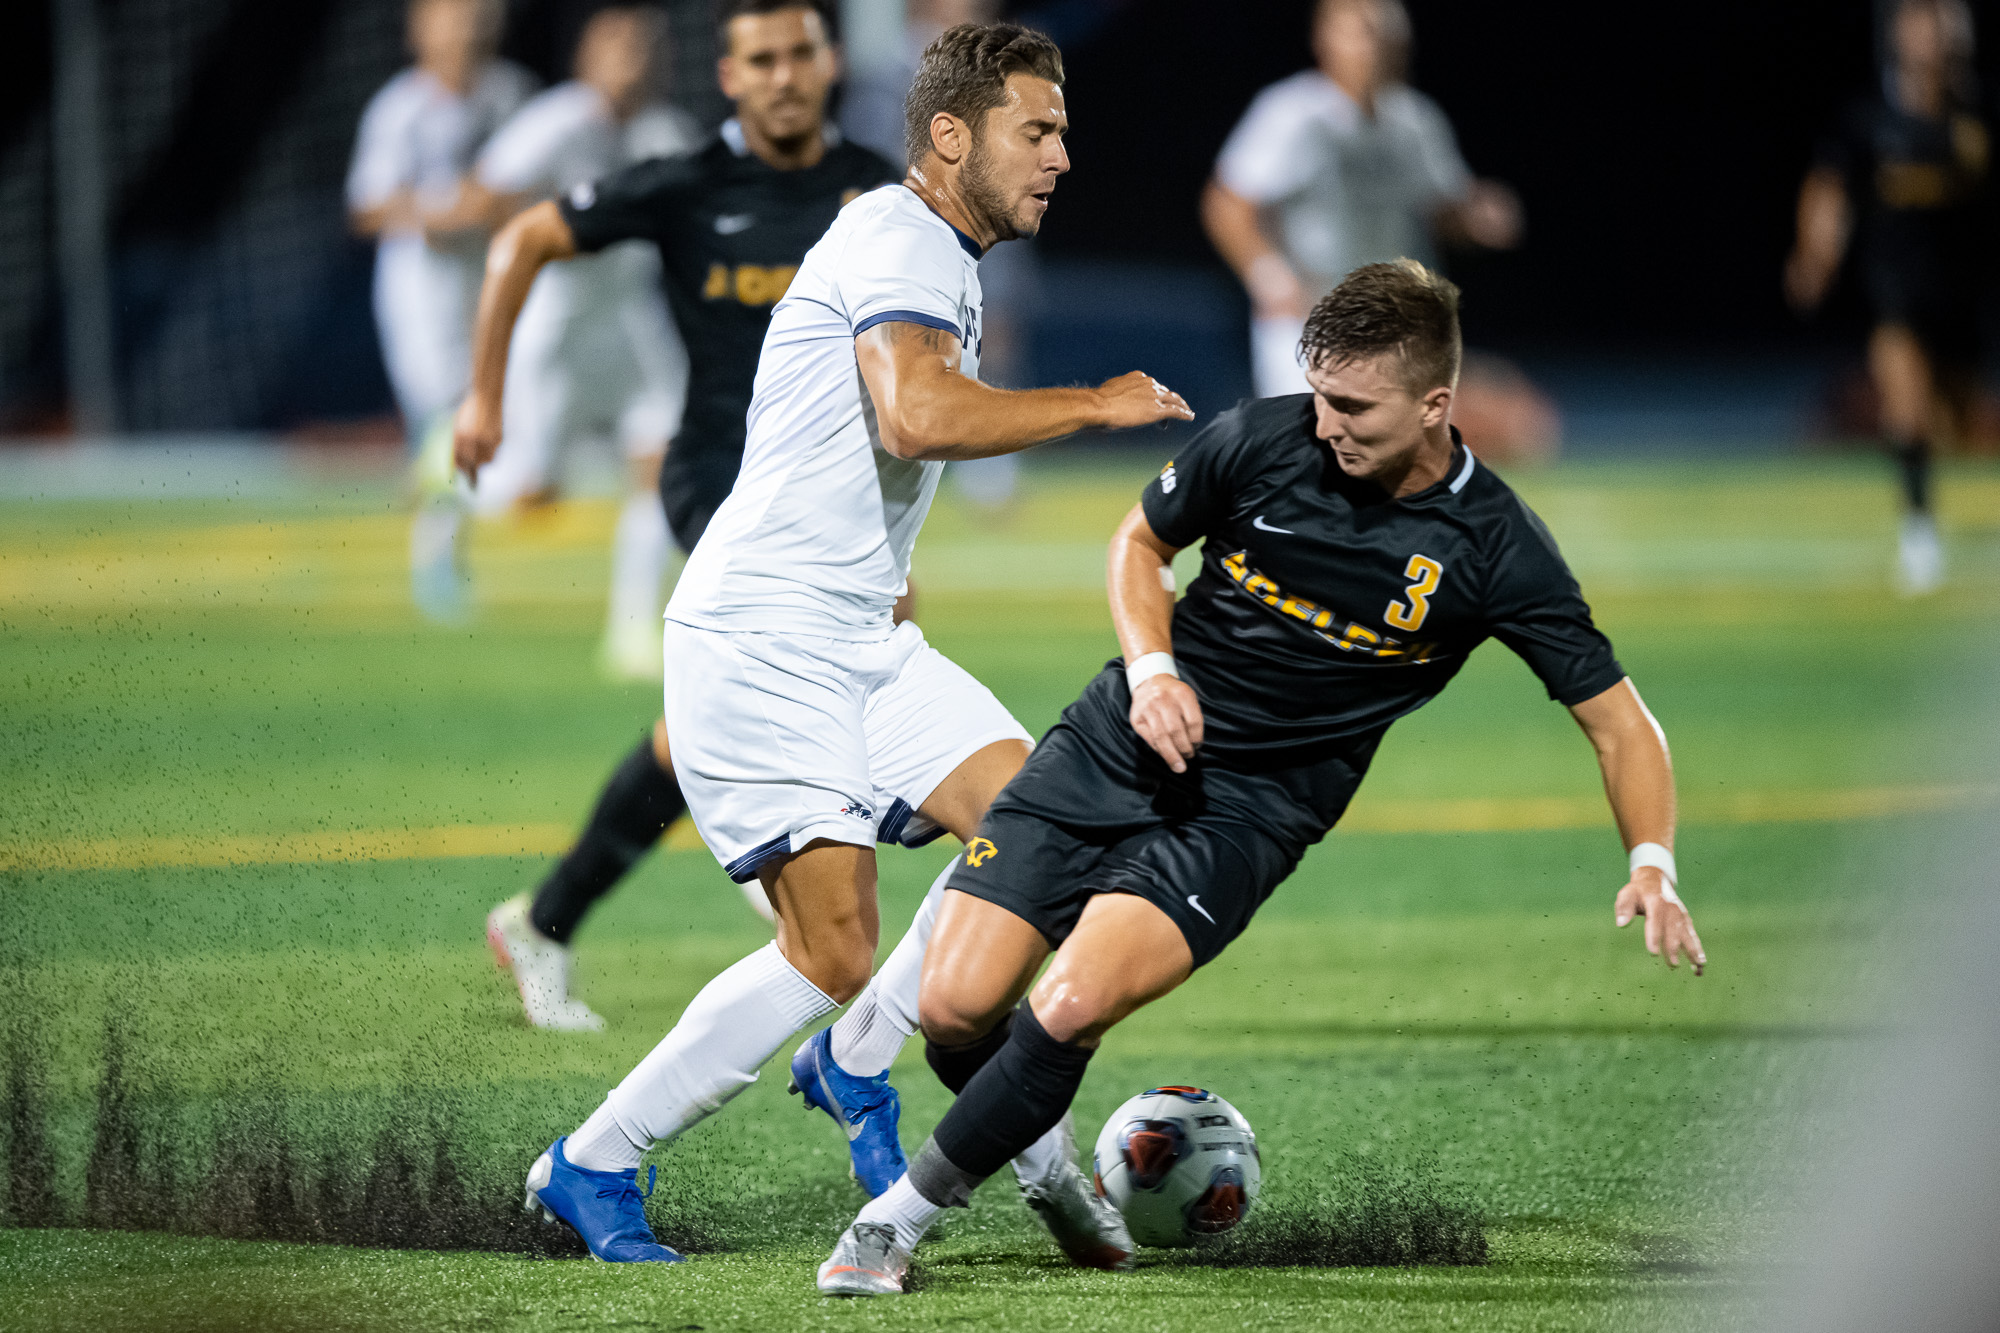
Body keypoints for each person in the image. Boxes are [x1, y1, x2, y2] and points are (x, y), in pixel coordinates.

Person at [816, 260, 1707, 1297]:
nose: (1324, 422)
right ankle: (1051, 1174)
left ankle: (890, 1224)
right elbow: (1139, 542)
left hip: (1248, 811)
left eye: (1352, 406)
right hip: (1117, 741)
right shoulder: (1263, 439)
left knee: (1066, 1004)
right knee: (956, 1006)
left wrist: (1651, 859)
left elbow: (1619, 725)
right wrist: (1150, 669)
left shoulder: (1493, 548)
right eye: (1318, 393)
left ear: (1434, 404)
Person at [476, 20, 1194, 1265]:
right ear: (952, 137)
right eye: (1039, 130)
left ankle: (859, 1052)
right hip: (761, 639)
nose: (1062, 156)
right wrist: (1094, 401)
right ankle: (592, 1160)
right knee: (829, 947)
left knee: (1039, 825)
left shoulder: (941, 250)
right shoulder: (893, 231)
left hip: (856, 635)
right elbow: (912, 415)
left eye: (1063, 130)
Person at [470, 0, 896, 1033]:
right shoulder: (687, 185)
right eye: (762, 58)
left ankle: (547, 916)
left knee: (699, 729)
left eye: (800, 53)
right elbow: (523, 237)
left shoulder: (880, 190)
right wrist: (485, 398)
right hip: (716, 478)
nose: (785, 74)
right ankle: (781, 883)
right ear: (729, 75)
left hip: (840, 499)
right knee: (765, 694)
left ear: (829, 62)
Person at [413, 5, 702, 676]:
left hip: (630, 319)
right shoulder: (556, 122)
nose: (636, 59)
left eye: (647, 47)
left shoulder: (669, 133)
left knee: (660, 467)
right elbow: (487, 196)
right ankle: (447, 474)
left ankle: (631, 634)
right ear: (588, 59)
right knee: (529, 496)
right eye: (620, 46)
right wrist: (466, 219)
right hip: (559, 323)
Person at [1200, 0, 1519, 400]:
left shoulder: (1414, 120)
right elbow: (1227, 202)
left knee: (1400, 451)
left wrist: (1477, 217)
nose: (1378, 44)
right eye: (1362, 32)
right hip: (1315, 312)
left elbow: (1445, 210)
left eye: (1388, 32)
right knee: (1312, 445)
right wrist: (1268, 275)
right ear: (1324, 39)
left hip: (1398, 315)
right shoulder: (1293, 112)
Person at [1785, 0, 1987, 596]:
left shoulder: (1977, 114)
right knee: (1905, 402)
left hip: (1965, 294)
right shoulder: (1869, 119)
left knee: (1958, 424)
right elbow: (1829, 186)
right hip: (1894, 288)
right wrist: (1814, 254)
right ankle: (1919, 535)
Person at [345, 0, 536, 623]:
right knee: (447, 414)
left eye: (476, 15)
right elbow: (367, 208)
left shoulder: (512, 96)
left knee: (478, 415)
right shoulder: (400, 108)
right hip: (421, 289)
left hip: (496, 279)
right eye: (450, 16)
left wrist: (495, 209)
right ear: (418, 29)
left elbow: (539, 181)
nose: (465, 28)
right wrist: (440, 213)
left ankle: (444, 517)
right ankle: (438, 562)